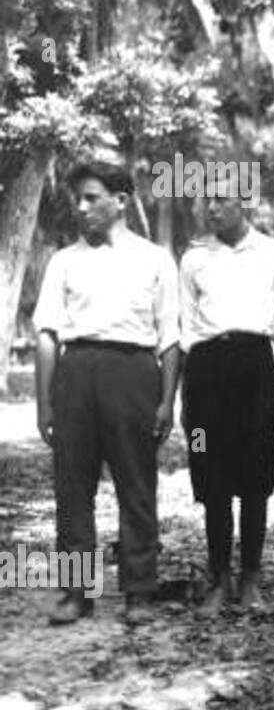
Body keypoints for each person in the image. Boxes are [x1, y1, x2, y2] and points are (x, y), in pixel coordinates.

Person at [33, 160, 181, 626]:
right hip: (75, 375)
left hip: (134, 373)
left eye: (92, 198)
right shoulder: (64, 261)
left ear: (121, 201)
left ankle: (140, 590)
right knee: (72, 489)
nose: (81, 207)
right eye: (77, 199)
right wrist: (44, 403)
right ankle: (77, 592)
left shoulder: (154, 258)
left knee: (137, 487)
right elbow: (46, 335)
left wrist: (166, 400)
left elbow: (171, 336)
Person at [180, 175, 274, 615]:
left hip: (254, 369)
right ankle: (218, 580)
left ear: (245, 203)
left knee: (254, 480)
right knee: (212, 479)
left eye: (221, 199)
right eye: (207, 200)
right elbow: (186, 329)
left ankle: (251, 580)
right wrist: (185, 399)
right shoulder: (193, 258)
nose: (212, 208)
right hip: (206, 371)